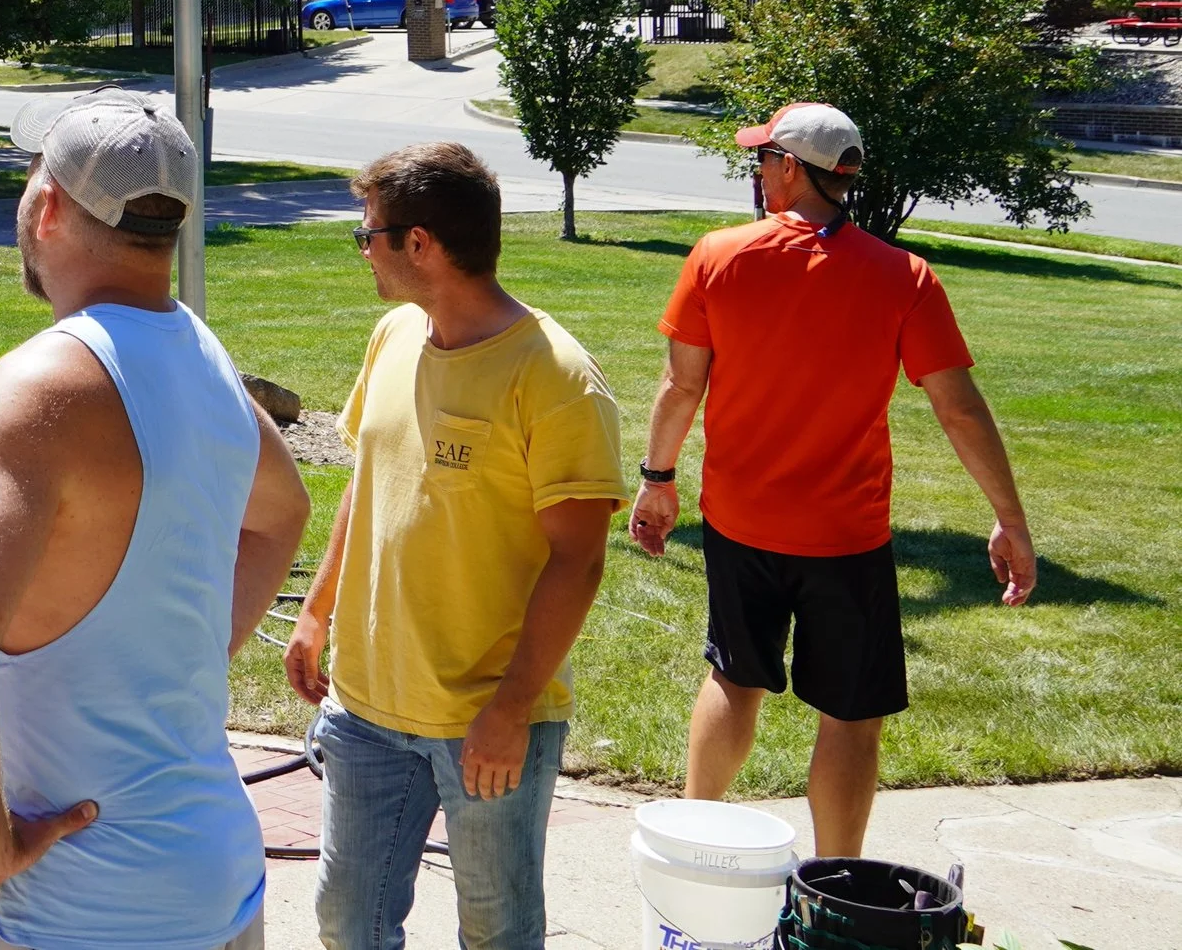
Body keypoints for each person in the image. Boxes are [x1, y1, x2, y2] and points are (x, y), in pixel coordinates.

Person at [0, 92, 308, 950]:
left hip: (87, 913)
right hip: (222, 883)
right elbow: (283, 516)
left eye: (29, 174)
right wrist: (192, 648)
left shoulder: (35, 393)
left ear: (48, 206)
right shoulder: (201, 350)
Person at [629, 101, 1037, 858]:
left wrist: (658, 478)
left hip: (740, 523)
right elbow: (959, 407)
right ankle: (836, 885)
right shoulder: (903, 276)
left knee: (732, 678)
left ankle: (691, 846)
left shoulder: (717, 256)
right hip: (846, 538)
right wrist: (1010, 519)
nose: (756, 171)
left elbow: (681, 387)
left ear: (790, 168)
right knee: (850, 716)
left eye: (763, 158)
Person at [285, 142, 624, 950]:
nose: (362, 249)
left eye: (368, 234)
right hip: (366, 705)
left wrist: (509, 710)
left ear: (421, 243)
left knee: (497, 933)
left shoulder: (556, 376)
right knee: (346, 922)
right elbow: (369, 482)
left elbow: (579, 559)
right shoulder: (395, 333)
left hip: (488, 714)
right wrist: (317, 608)